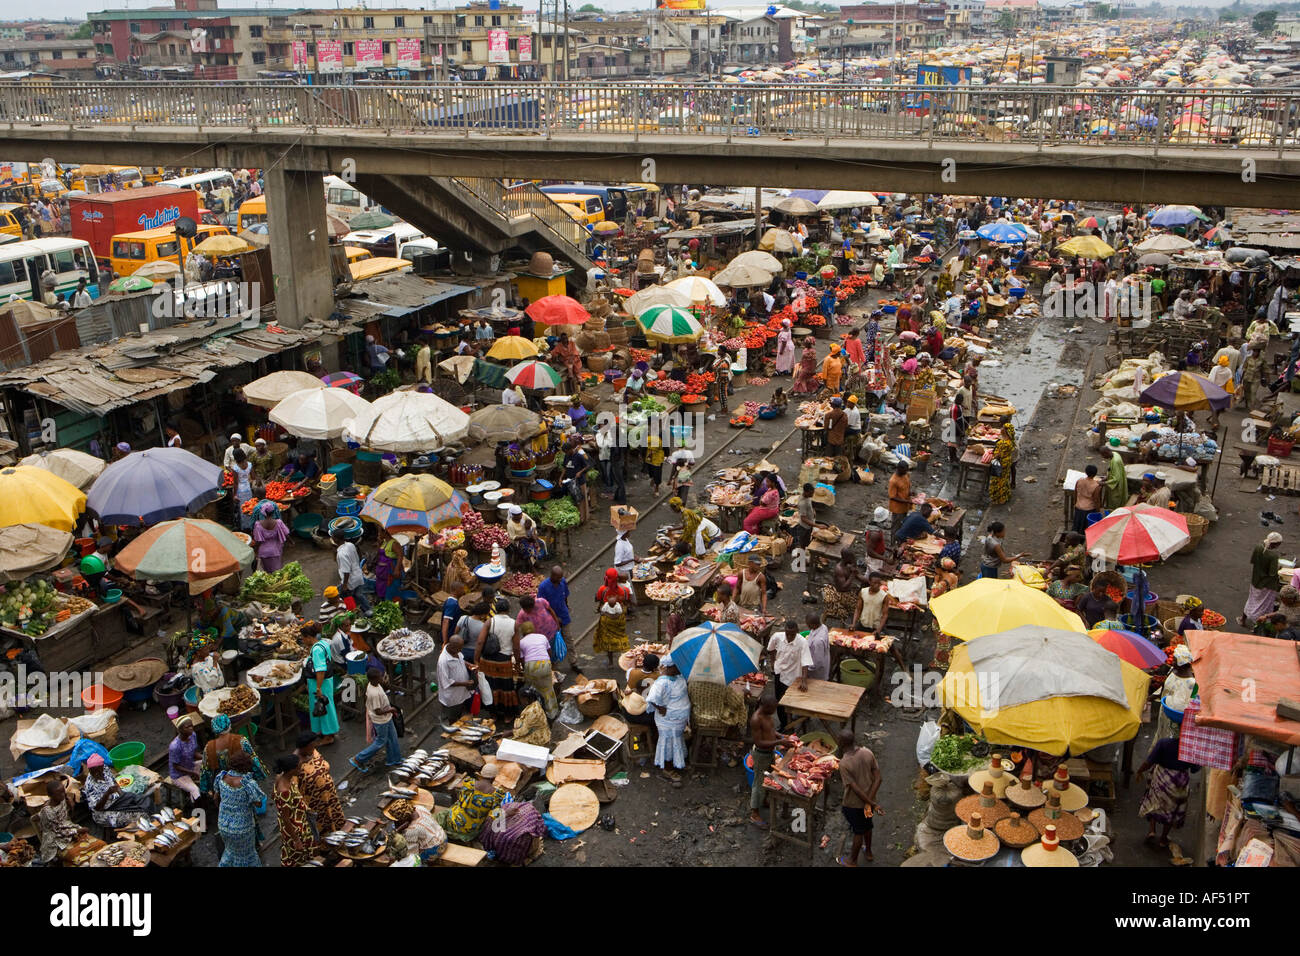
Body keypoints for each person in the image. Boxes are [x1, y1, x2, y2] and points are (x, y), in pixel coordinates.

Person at [748, 693, 800, 828]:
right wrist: (779, 742)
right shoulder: (756, 719)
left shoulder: (767, 714)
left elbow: (771, 731)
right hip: (761, 754)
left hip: (769, 752)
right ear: (765, 707)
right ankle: (754, 813)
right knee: (758, 783)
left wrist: (783, 736)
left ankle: (764, 800)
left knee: (769, 778)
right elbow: (759, 742)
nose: (775, 711)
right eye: (773, 708)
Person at [1137, 737, 1197, 848]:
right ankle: (1163, 838)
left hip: (1161, 777)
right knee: (1172, 809)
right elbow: (1194, 769)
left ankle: (1152, 831)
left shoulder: (1163, 742)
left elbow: (1149, 761)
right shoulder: (1190, 748)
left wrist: (1140, 770)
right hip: (1178, 783)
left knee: (1155, 802)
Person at [837, 728, 882, 866]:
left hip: (854, 805)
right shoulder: (867, 752)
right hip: (870, 800)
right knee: (867, 826)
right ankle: (868, 852)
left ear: (840, 743)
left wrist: (870, 803)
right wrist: (871, 801)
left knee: (858, 831)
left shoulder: (844, 763)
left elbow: (855, 789)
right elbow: (878, 778)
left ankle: (852, 861)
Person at [645, 653, 691, 786]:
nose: (681, 668)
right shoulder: (661, 683)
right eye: (678, 666)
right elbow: (651, 698)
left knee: (676, 740)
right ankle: (668, 768)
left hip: (678, 720)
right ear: (671, 667)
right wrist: (660, 708)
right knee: (668, 743)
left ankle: (677, 762)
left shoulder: (679, 677)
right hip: (668, 720)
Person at [215, 751, 265, 867]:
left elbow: (215, 798)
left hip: (223, 824)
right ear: (246, 766)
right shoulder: (248, 783)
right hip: (242, 829)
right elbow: (258, 804)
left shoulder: (221, 777)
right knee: (246, 856)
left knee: (230, 852)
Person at [437, 765, 507, 844]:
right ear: (494, 778)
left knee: (445, 813)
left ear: (481, 774)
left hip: (455, 822)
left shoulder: (469, 784)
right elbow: (494, 815)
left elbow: (460, 798)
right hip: (471, 830)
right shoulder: (496, 795)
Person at [82, 754, 155, 828]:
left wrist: (123, 795)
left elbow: (114, 782)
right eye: (93, 771)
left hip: (117, 801)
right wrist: (107, 794)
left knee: (144, 802)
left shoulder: (105, 769)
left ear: (102, 767)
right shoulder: (90, 785)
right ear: (89, 770)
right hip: (104, 812)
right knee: (140, 816)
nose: (96, 773)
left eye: (98, 770)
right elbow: (97, 808)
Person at [272, 754, 318, 867]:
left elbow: (273, 795)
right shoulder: (285, 791)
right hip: (294, 827)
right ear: (291, 770)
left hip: (298, 820)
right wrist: (296, 839)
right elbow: (286, 818)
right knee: (296, 854)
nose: (301, 769)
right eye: (298, 767)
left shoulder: (280, 777)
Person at [295, 732, 345, 835]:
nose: (315, 747)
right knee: (321, 826)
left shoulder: (312, 752)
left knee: (333, 817)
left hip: (329, 796)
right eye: (312, 746)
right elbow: (294, 789)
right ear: (305, 747)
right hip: (314, 803)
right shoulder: (295, 763)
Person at [765, 620, 812, 728]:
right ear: (785, 631)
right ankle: (784, 724)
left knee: (790, 702)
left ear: (797, 632)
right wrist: (772, 662)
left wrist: (804, 681)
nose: (789, 637)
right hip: (779, 673)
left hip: (792, 677)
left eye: (792, 634)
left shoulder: (802, 643)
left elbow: (805, 663)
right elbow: (771, 649)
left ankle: (792, 721)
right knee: (779, 700)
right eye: (788, 634)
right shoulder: (777, 637)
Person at [36, 775, 83, 865]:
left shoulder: (62, 799)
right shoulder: (48, 811)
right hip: (55, 838)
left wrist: (71, 805)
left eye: (63, 791)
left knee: (92, 842)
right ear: (50, 796)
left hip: (67, 827)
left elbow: (66, 818)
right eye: (59, 793)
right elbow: (58, 831)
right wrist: (76, 831)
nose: (63, 795)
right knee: (75, 855)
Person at [307, 620, 341, 745]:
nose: (302, 640)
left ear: (309, 637)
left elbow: (320, 670)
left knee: (324, 708)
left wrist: (318, 688)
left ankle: (328, 736)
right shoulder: (322, 643)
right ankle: (325, 731)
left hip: (321, 683)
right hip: (326, 682)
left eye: (303, 638)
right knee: (325, 706)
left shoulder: (316, 650)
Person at [1243, 532, 1284, 626]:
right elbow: (1272, 573)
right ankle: (1257, 625)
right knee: (1263, 605)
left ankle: (1243, 619)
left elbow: (1253, 561)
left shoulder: (1258, 547)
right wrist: (1280, 568)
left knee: (1251, 600)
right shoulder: (1273, 556)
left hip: (1255, 580)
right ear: (1275, 544)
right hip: (1267, 584)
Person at [436, 635, 475, 729]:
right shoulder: (443, 661)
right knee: (452, 718)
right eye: (459, 648)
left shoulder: (455, 652)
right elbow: (446, 682)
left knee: (459, 711)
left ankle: (457, 726)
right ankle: (452, 730)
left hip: (460, 693)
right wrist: (465, 684)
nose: (461, 650)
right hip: (452, 696)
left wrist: (468, 664)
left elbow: (460, 660)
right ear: (453, 647)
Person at [594, 567, 631, 664]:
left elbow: (598, 599)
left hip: (607, 620)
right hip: (619, 619)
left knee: (608, 641)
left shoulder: (602, 590)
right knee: (621, 637)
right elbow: (627, 602)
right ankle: (625, 659)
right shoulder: (624, 590)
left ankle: (611, 662)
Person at [823, 548, 867, 623]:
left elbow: (859, 576)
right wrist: (852, 575)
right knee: (859, 606)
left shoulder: (849, 566)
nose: (853, 560)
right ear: (846, 558)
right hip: (841, 594)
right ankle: (856, 623)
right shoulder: (839, 569)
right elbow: (843, 586)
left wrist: (870, 581)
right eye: (852, 558)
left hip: (849, 592)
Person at [332, 529, 370, 615]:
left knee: (347, 598)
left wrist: (345, 585)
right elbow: (358, 556)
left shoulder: (341, 554)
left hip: (350, 581)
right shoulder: (350, 545)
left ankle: (352, 613)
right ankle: (368, 610)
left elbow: (346, 571)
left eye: (333, 537)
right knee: (359, 595)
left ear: (336, 539)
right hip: (358, 576)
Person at [168, 716, 203, 801]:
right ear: (180, 730)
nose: (191, 728)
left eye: (191, 726)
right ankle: (197, 806)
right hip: (178, 775)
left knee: (207, 763)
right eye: (187, 727)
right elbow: (176, 766)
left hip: (190, 766)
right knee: (195, 790)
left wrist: (206, 757)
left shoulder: (192, 735)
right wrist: (193, 773)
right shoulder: (175, 746)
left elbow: (194, 753)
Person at [252, 502, 290, 573]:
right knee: (277, 571)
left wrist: (255, 550)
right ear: (273, 512)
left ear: (263, 513)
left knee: (268, 571)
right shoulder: (279, 522)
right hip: (276, 550)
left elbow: (258, 540)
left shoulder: (258, 524)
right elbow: (286, 534)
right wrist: (291, 541)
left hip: (264, 552)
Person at [988, 422, 1017, 505]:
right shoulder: (1010, 441)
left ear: (1005, 432)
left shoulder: (1004, 443)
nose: (1001, 429)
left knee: (998, 480)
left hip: (1001, 462)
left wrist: (993, 456)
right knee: (1005, 479)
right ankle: (1005, 496)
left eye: (1002, 428)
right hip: (1007, 462)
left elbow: (998, 455)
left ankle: (999, 499)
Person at [1072, 464, 1104, 534]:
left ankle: (1075, 535)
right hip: (1089, 510)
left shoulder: (1079, 480)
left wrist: (1075, 503)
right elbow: (1096, 500)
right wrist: (1098, 511)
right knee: (1085, 529)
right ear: (1095, 474)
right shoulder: (1096, 486)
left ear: (1086, 472)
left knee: (1077, 526)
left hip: (1078, 507)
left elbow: (1075, 493)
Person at [230, 448, 255, 531]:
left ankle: (245, 528)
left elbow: (236, 483)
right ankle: (251, 526)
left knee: (243, 509)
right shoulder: (249, 465)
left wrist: (234, 495)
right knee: (250, 507)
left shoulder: (236, 468)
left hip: (240, 491)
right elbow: (253, 477)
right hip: (248, 489)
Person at [887, 462, 913, 535]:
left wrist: (910, 493)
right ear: (899, 469)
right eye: (905, 470)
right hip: (897, 508)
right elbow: (892, 497)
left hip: (905, 506)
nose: (906, 472)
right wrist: (906, 501)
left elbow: (907, 486)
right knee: (896, 526)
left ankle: (900, 538)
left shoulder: (906, 475)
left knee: (902, 523)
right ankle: (893, 540)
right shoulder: (893, 481)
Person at [793, 482, 817, 552]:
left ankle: (804, 554)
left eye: (813, 493)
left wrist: (813, 511)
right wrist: (817, 525)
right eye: (811, 493)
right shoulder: (802, 503)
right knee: (801, 545)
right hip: (803, 527)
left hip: (809, 526)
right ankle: (800, 557)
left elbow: (810, 505)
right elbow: (803, 519)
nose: (812, 495)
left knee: (807, 543)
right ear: (806, 492)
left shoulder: (807, 497)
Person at [806, 611, 830, 681]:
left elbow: (817, 662)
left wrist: (807, 668)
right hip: (823, 658)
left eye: (808, 624)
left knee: (816, 684)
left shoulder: (818, 641)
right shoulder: (823, 627)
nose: (807, 626)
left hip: (817, 672)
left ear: (813, 625)